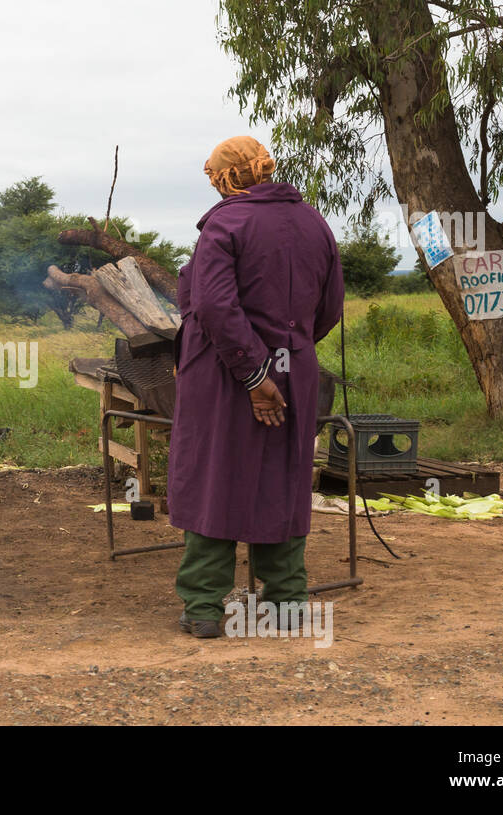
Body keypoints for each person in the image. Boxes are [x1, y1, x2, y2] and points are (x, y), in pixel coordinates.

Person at [169, 136, 344, 638]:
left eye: (214, 177)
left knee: (213, 475)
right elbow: (329, 308)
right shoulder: (315, 222)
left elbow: (215, 307)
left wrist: (252, 374)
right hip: (294, 373)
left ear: (228, 178)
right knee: (282, 478)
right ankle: (286, 604)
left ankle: (204, 609)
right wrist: (282, 361)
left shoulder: (225, 222)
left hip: (224, 376)